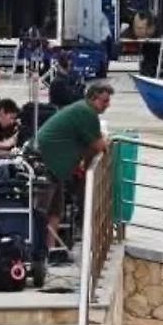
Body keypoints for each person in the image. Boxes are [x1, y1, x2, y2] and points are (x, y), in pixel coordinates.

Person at [30, 80, 112, 257]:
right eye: (104, 101)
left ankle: (49, 249)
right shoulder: (86, 113)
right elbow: (99, 145)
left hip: (55, 167)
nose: (107, 105)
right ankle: (38, 251)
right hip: (46, 164)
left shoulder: (83, 109)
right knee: (42, 211)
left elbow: (90, 145)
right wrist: (106, 141)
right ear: (93, 98)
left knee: (56, 209)